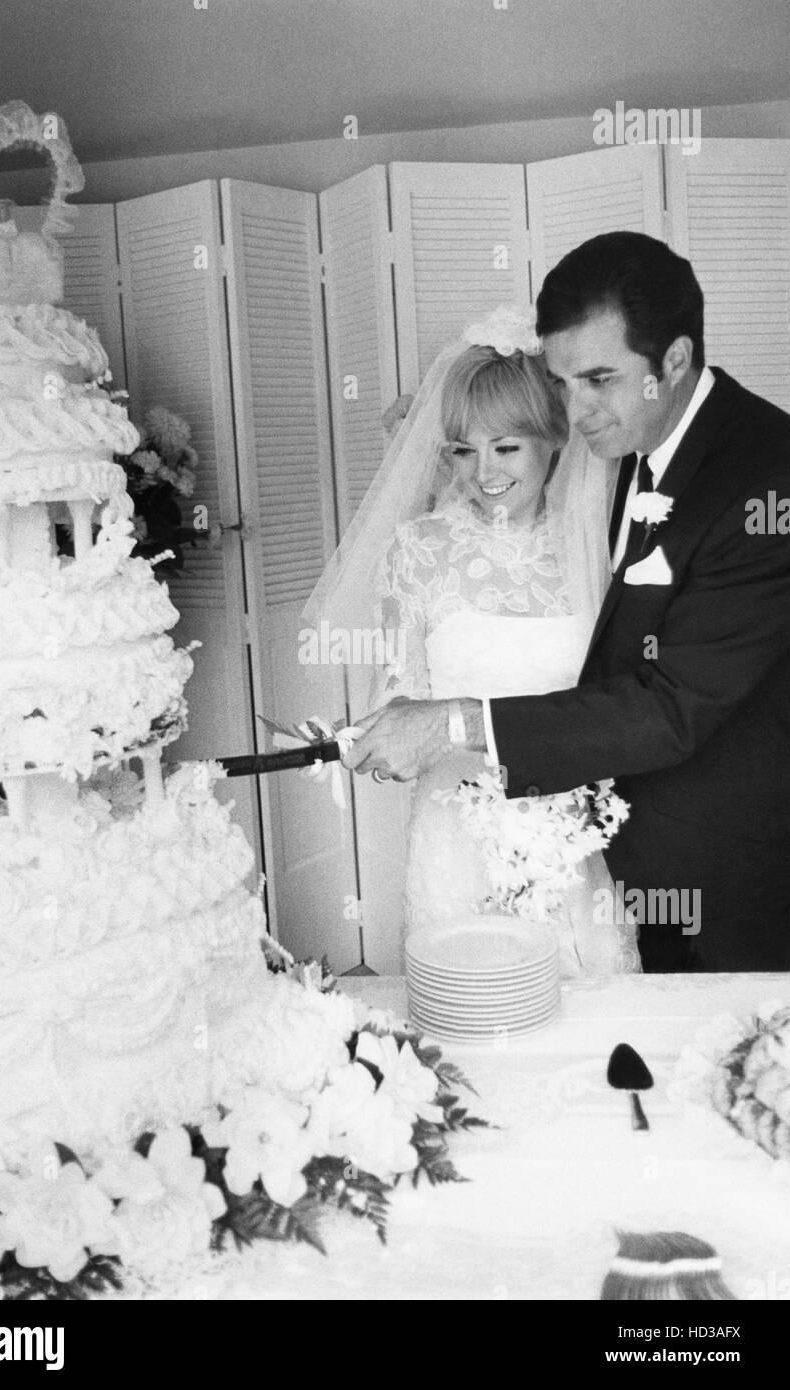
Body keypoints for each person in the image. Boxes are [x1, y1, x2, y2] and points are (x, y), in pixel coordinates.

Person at [342, 232, 790, 973]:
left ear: (672, 362)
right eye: (560, 383)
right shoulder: (624, 454)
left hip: (725, 882)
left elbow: (671, 706)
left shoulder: (766, 476)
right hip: (608, 857)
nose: (576, 413)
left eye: (598, 379)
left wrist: (455, 723)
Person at [305, 306, 640, 976]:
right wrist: (365, 740)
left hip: (568, 831)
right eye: (464, 449)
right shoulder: (418, 551)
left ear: (554, 440)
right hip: (456, 835)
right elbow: (400, 695)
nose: (483, 473)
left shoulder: (596, 548)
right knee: (469, 1023)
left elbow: (623, 704)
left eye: (506, 448)